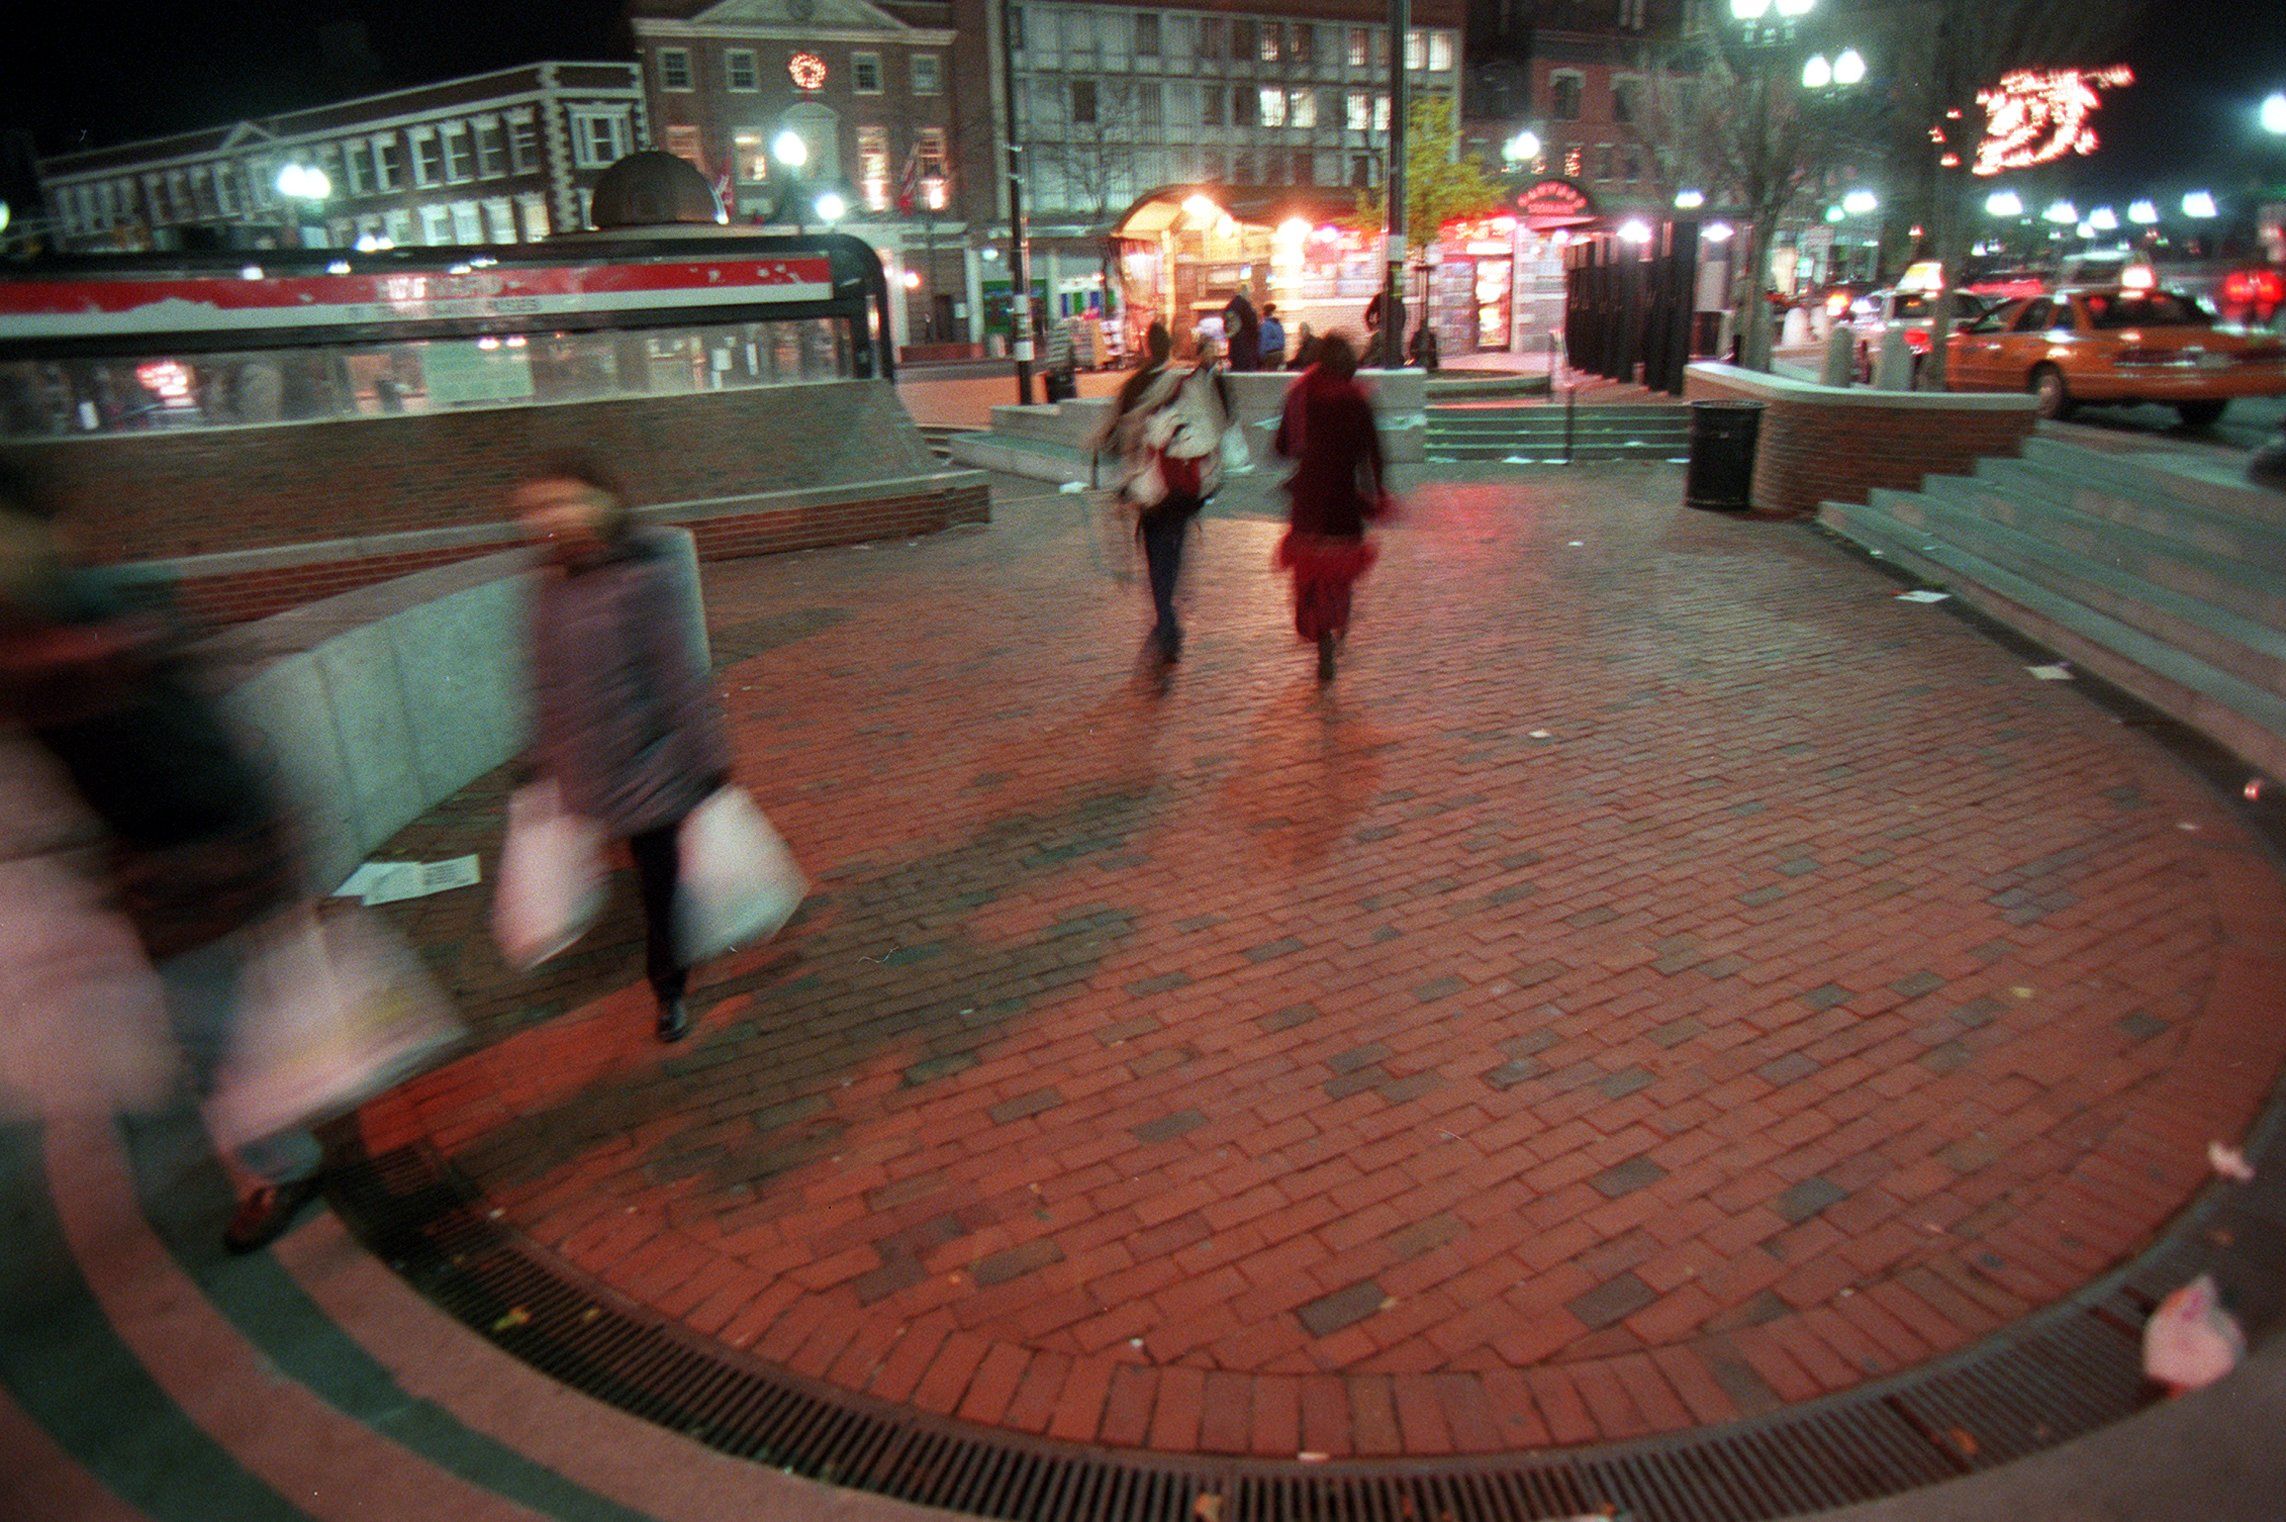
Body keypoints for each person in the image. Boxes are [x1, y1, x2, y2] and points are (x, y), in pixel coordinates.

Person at [0, 460, 325, 1253]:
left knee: (215, 1039)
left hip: (202, 859)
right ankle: (285, 1145)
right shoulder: (54, 629)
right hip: (175, 861)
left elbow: (195, 743)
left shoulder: (95, 622)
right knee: (228, 1029)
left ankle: (284, 1163)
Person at [515, 456, 733, 1043]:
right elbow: (546, 682)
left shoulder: (642, 577)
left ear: (602, 502)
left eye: (566, 501)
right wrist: (537, 760)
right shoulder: (548, 588)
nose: (551, 517)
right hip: (585, 768)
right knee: (613, 877)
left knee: (658, 883)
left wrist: (709, 757)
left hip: (650, 765)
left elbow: (678, 677)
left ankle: (668, 989)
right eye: (539, 506)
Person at [1092, 322, 1231, 688]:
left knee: (1157, 558)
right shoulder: (1184, 383)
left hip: (1150, 490)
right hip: (1183, 489)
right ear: (1169, 347)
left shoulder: (1136, 385)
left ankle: (1167, 622)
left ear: (1147, 348)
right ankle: (1168, 620)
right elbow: (1217, 425)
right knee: (1176, 550)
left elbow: (1112, 439)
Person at [1272, 334, 1390, 683]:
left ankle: (1321, 638)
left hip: (1309, 501)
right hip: (1343, 501)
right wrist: (1376, 490)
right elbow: (1374, 453)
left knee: (1310, 577)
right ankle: (1339, 622)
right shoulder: (1358, 400)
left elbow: (1282, 447)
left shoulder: (1301, 394)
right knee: (1340, 573)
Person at [1222, 285, 1261, 372]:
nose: (1250, 296)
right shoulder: (1246, 306)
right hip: (1247, 350)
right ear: (1245, 292)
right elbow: (1253, 327)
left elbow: (1227, 328)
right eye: (1249, 293)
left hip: (1233, 348)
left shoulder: (1230, 306)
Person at [1257, 303, 1288, 370]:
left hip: (1270, 357)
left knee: (1269, 378)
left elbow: (1263, 342)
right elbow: (1282, 341)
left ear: (1265, 313)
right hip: (1280, 355)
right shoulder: (1279, 325)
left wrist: (1260, 357)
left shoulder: (1265, 325)